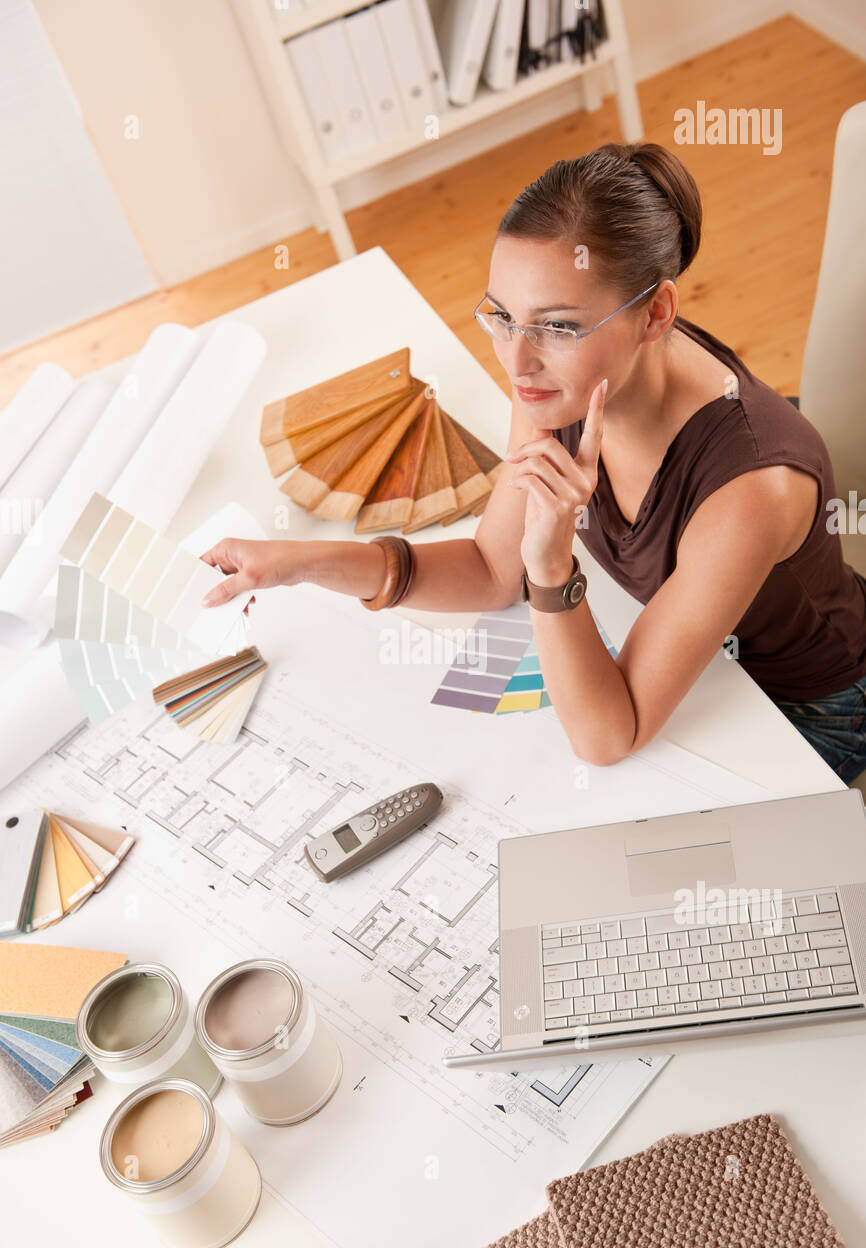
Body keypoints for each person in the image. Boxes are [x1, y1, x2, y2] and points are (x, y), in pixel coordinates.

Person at [200, 142, 866, 785]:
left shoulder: (749, 488)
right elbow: (493, 570)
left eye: (560, 326)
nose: (517, 361)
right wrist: (301, 562)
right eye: (504, 317)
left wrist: (551, 567)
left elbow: (608, 736)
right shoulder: (563, 379)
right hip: (696, 666)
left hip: (800, 712)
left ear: (656, 313)